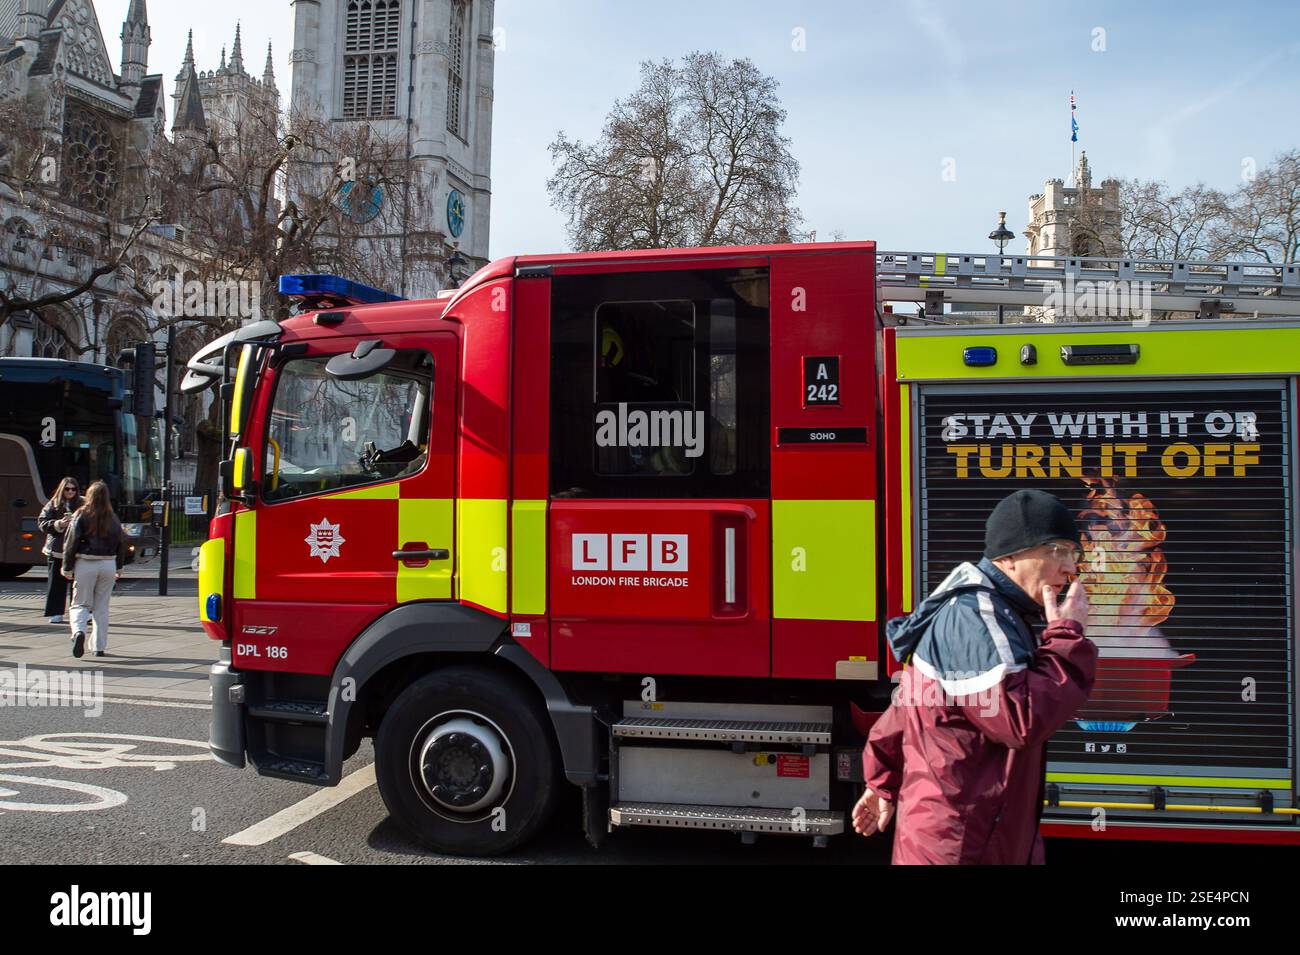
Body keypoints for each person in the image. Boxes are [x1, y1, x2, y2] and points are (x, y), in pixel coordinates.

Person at [854, 488, 1098, 864]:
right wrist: (1066, 635)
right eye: (1057, 551)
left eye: (1072, 553)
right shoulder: (976, 618)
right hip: (966, 847)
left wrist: (882, 783)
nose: (1070, 568)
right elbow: (1020, 721)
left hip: (968, 840)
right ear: (1011, 557)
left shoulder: (990, 612)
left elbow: (907, 710)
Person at [61, 480, 127, 659]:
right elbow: (121, 543)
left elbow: (71, 542)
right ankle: (98, 646)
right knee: (102, 607)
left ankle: (79, 632)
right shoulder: (113, 517)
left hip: (86, 562)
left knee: (80, 603)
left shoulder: (81, 514)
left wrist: (66, 566)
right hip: (108, 564)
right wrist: (119, 566)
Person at [37, 477, 83, 624]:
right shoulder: (53, 503)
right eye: (67, 489)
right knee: (56, 584)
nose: (70, 492)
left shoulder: (83, 503)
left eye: (73, 489)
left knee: (80, 584)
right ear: (62, 489)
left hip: (77, 550)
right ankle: (56, 612)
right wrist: (59, 524)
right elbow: (42, 523)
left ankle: (79, 612)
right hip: (56, 550)